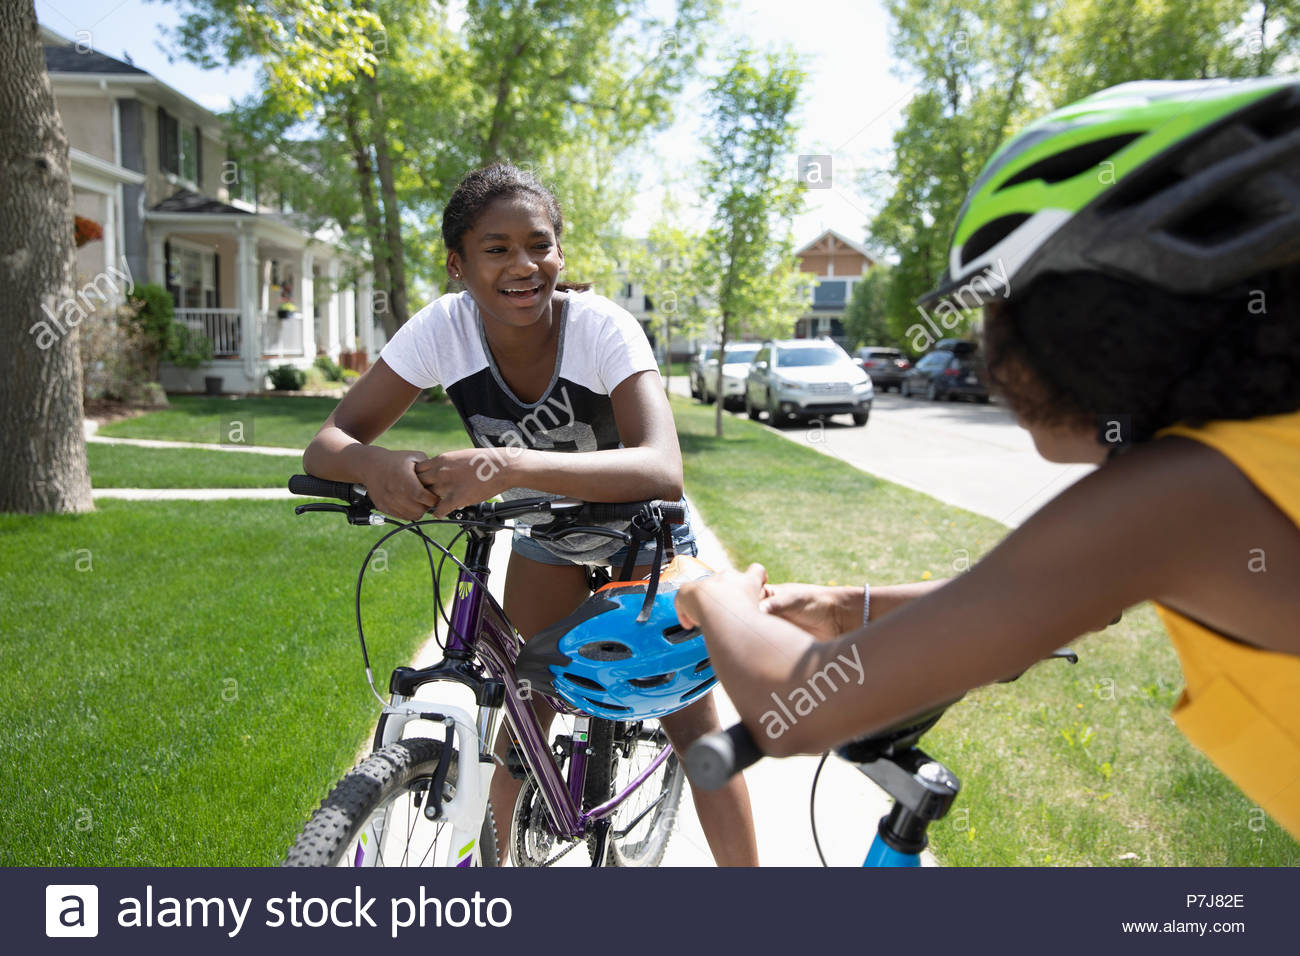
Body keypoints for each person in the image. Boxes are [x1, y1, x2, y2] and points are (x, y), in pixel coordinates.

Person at [675, 77, 1300, 840]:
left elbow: (794, 708)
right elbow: (1069, 595)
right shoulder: (1243, 467)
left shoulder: (1179, 495)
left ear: (1086, 321)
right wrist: (845, 606)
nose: (986, 341)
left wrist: (713, 596)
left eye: (996, 308)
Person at [303, 163, 758, 865]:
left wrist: (506, 467)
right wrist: (374, 464)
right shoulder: (443, 331)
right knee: (524, 707)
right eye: (497, 248)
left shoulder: (602, 329)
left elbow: (661, 466)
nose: (523, 264)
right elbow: (328, 443)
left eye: (539, 244)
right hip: (549, 539)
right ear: (457, 264)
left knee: (696, 733)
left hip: (644, 540)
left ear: (560, 253)